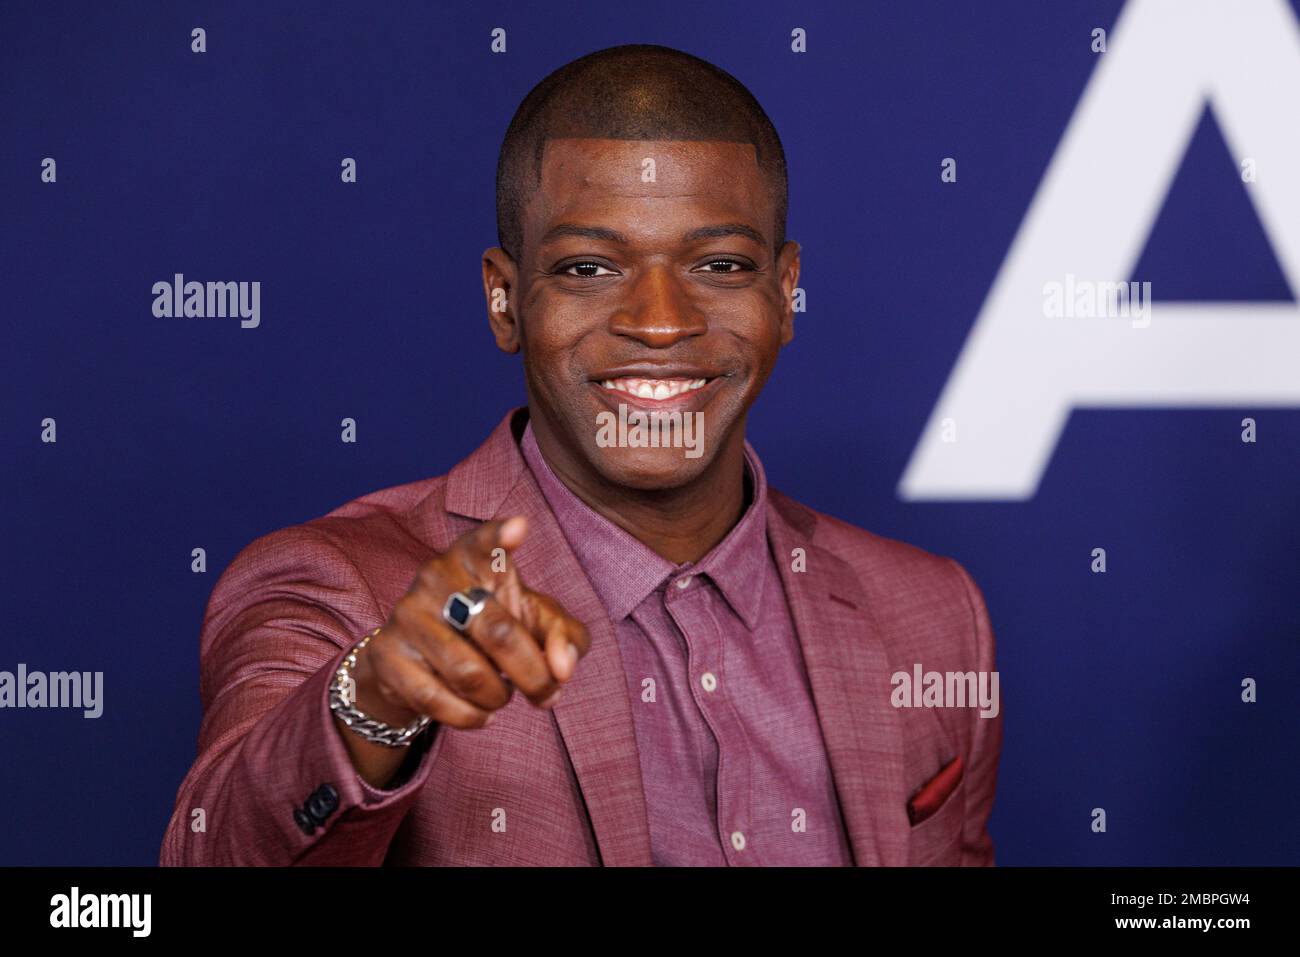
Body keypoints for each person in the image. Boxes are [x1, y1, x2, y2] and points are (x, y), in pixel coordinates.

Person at [160, 43, 1001, 867]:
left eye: (719, 263)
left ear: (784, 294)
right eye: (590, 267)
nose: (661, 321)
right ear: (503, 298)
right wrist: (373, 700)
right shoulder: (339, 584)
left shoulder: (931, 614)